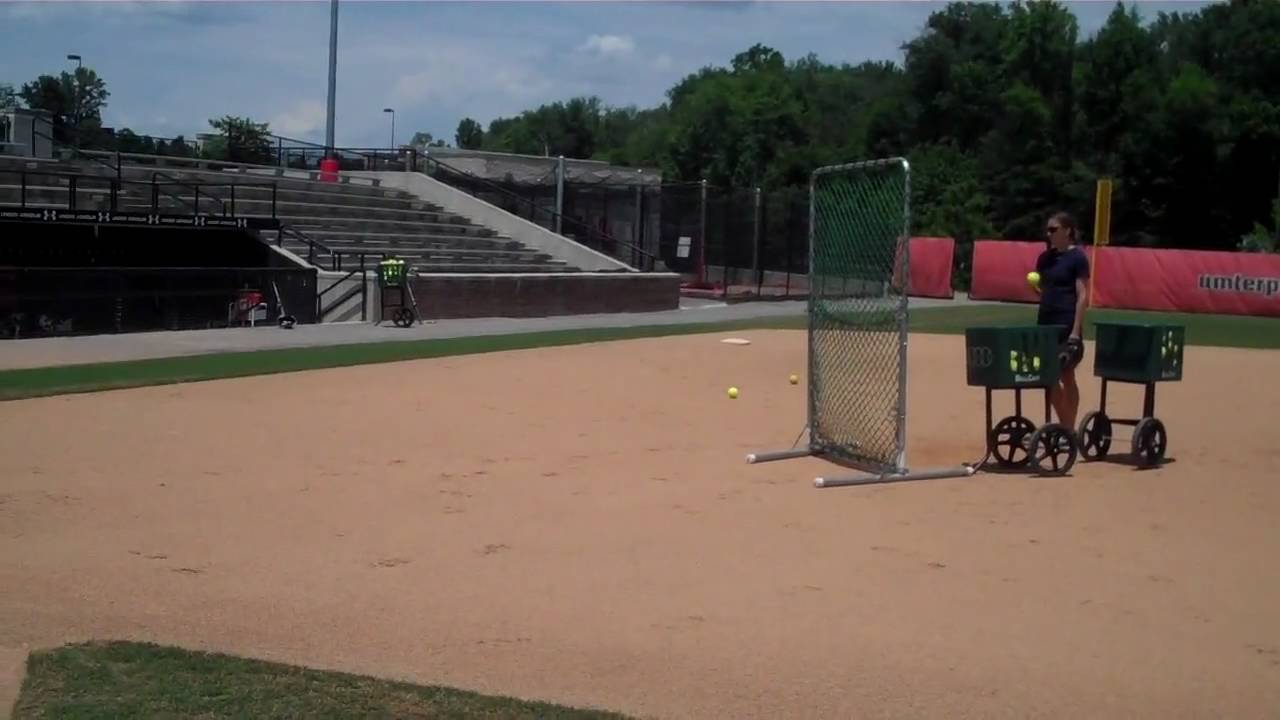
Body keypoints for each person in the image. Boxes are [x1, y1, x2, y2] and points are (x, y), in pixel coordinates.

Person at [1031, 211, 1090, 431]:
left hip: (1066, 323)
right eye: (1047, 230)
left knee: (1066, 374)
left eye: (1053, 229)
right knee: (1048, 376)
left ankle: (1067, 428)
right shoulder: (1045, 258)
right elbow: (1046, 289)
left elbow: (1082, 295)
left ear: (1068, 231)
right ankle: (1066, 429)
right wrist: (1037, 290)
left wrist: (1075, 331)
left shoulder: (1077, 258)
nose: (1049, 233)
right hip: (1045, 323)